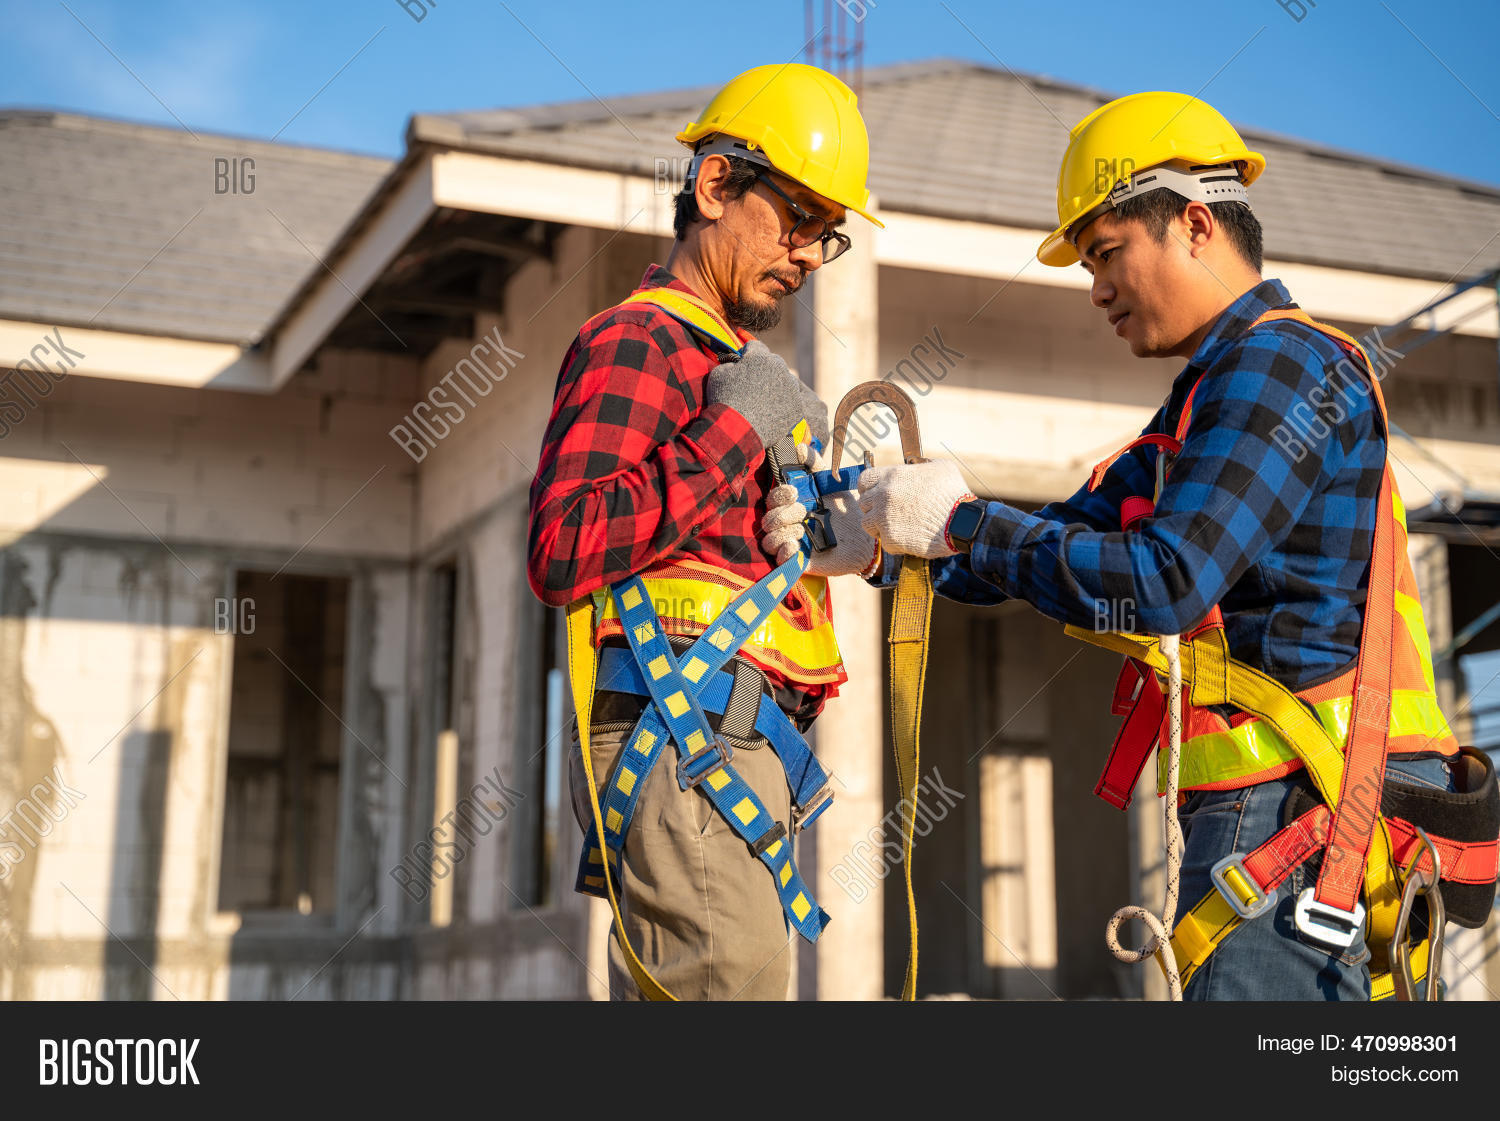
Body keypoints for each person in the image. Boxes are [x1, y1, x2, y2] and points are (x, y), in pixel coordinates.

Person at [770, 91, 1464, 1000]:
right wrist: (883, 543)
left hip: (1301, 820)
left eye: (1106, 252)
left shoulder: (1283, 366)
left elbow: (1166, 579)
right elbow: (1064, 544)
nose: (1095, 288)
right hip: (1302, 823)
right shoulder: (1207, 398)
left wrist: (962, 521)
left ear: (1196, 225)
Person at [527, 62, 883, 1000]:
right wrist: (734, 429)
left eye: (828, 234)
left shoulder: (732, 366)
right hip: (684, 742)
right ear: (717, 184)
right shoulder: (638, 340)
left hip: (731, 750)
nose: (811, 255)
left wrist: (830, 540)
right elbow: (563, 545)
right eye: (799, 219)